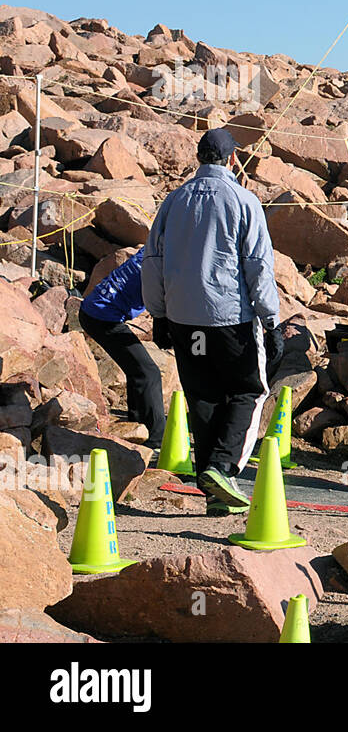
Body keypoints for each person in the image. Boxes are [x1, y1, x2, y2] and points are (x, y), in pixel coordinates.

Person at [141, 128, 282, 516]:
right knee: (248, 390)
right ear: (233, 159)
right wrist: (272, 320)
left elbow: (151, 261)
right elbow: (257, 266)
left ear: (199, 156)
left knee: (202, 394)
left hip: (187, 321)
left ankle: (212, 484)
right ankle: (222, 468)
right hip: (229, 318)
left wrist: (159, 314)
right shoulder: (243, 200)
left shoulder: (174, 200)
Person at [77, 249, 166, 450]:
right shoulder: (164, 266)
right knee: (148, 372)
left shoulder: (154, 250)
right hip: (102, 318)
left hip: (95, 311)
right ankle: (156, 438)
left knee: (138, 371)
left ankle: (137, 427)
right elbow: (162, 304)